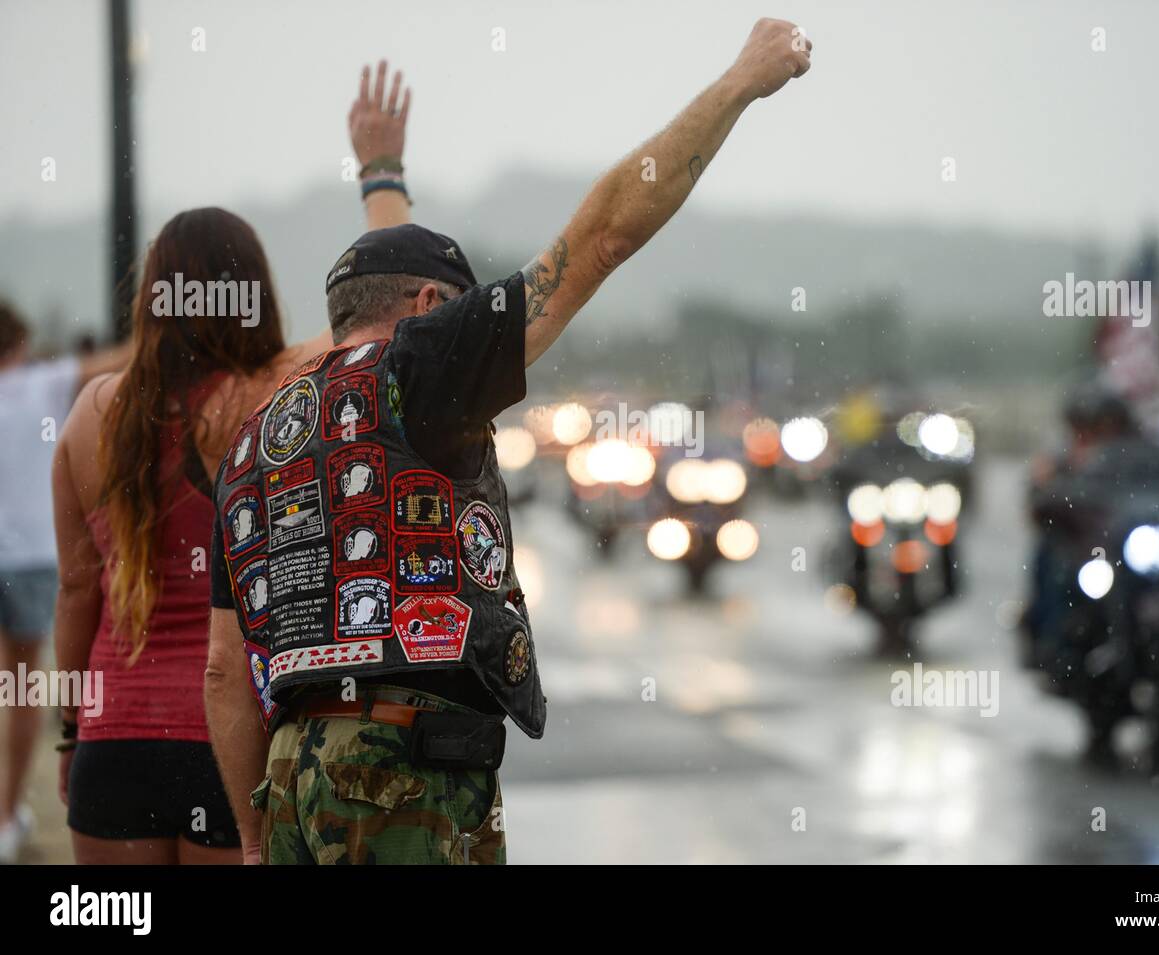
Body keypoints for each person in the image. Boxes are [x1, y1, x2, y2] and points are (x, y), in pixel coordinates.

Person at [204, 17, 813, 865]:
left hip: (295, 780)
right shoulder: (424, 362)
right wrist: (739, 83)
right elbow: (603, 236)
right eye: (452, 311)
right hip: (404, 775)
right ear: (428, 311)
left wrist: (250, 832)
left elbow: (225, 672)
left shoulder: (255, 443)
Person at [50, 61, 412, 864]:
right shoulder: (279, 390)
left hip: (114, 745)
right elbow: (393, 308)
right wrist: (380, 168)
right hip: (236, 745)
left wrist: (71, 734)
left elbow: (78, 593)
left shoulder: (89, 417)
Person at [0, 306, 127, 863]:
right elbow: (125, 358)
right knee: (24, 690)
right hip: (29, 557)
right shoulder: (41, 382)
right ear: (19, 342)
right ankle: (6, 814)